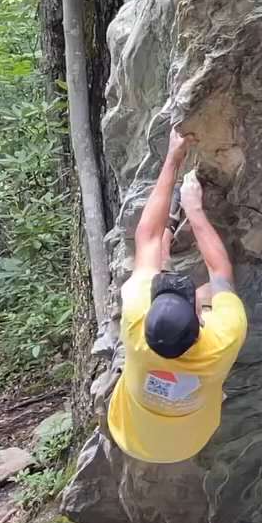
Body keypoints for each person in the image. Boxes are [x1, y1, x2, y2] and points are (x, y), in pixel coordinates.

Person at [107, 127, 247, 463]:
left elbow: (149, 237)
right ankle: (193, 292)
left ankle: (186, 271)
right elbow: (221, 272)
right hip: (192, 440)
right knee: (211, 290)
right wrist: (194, 210)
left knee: (167, 267)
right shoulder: (222, 340)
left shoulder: (136, 325)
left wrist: (172, 158)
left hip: (128, 432)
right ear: (201, 324)